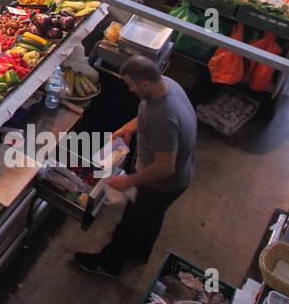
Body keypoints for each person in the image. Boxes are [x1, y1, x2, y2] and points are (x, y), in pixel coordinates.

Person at [74, 55, 197, 278]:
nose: (129, 90)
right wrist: (125, 129)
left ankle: (110, 263)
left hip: (162, 183)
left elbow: (164, 167)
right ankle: (141, 252)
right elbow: (144, 114)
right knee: (151, 217)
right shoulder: (167, 86)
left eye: (130, 85)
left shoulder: (163, 117)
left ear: (144, 84)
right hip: (182, 174)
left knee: (131, 222)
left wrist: (128, 180)